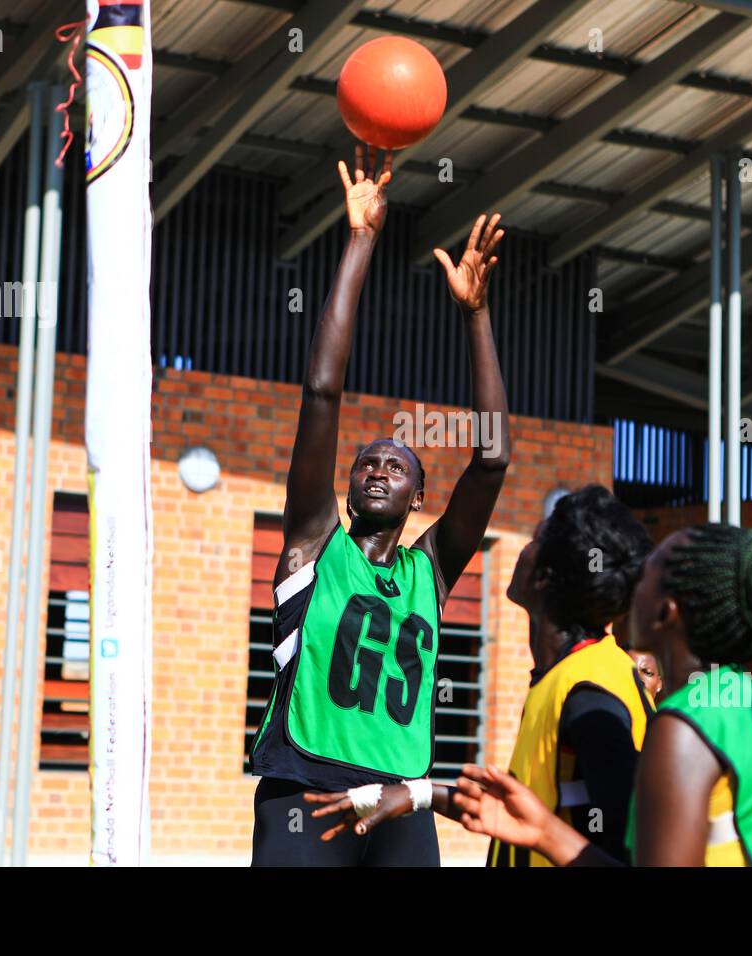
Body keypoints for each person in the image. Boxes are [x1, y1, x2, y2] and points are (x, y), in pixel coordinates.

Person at [247, 146, 511, 866]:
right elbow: (323, 391)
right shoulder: (313, 543)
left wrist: (476, 316)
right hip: (302, 789)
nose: (377, 467)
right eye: (366, 460)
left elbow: (491, 460)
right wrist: (361, 240)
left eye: (396, 465)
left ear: (418, 496)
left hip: (401, 799)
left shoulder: (431, 570)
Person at [451, 515, 752, 866]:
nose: (628, 587)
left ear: (665, 612)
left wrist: (547, 834)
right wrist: (544, 830)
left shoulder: (686, 727)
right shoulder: (745, 703)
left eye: (645, 577)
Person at [307, 485, 654, 865]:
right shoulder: (570, 673)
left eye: (535, 539)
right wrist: (419, 795)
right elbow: (523, 814)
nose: (523, 548)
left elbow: (633, 852)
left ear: (544, 577)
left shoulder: (590, 695)